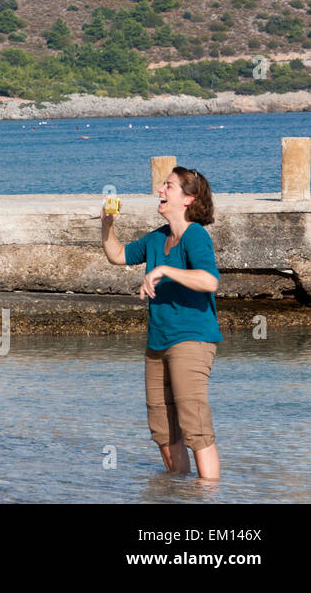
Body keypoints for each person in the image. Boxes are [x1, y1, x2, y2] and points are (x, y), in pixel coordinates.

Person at [101, 167, 222, 480]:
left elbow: (209, 281)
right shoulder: (157, 238)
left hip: (192, 340)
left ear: (188, 198)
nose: (160, 190)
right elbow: (117, 255)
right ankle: (178, 494)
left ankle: (209, 497)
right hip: (157, 343)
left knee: (195, 427)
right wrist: (107, 227)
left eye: (168, 185)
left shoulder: (196, 235)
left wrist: (164, 270)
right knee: (163, 429)